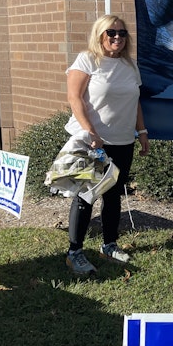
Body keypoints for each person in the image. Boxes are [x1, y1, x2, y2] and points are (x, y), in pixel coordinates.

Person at [64, 14, 149, 274]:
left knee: (113, 195)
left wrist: (142, 131)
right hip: (94, 141)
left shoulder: (130, 66)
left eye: (122, 33)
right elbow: (74, 98)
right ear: (100, 35)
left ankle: (109, 244)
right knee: (86, 195)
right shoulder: (87, 60)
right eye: (111, 33)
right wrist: (90, 132)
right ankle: (74, 251)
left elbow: (134, 101)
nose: (117, 38)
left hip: (123, 141)